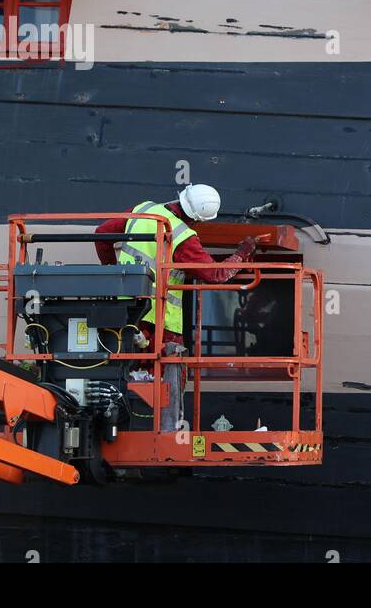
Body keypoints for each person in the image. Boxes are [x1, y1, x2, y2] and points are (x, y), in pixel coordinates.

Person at [94, 184, 255, 430]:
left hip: (123, 315)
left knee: (122, 377)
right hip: (161, 323)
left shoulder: (143, 210)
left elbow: (101, 234)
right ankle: (164, 435)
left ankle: (120, 430)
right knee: (168, 382)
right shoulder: (183, 236)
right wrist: (242, 255)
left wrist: (114, 274)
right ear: (197, 218)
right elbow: (217, 274)